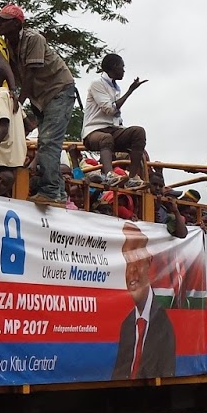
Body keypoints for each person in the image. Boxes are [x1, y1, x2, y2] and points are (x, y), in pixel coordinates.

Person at [0, 5, 78, 209]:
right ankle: (56, 191)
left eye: (4, 20)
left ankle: (50, 192)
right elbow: (14, 74)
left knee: (48, 141)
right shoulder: (8, 43)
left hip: (58, 90)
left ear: (16, 23)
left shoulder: (33, 39)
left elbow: (29, 75)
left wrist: (19, 102)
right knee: (45, 142)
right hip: (41, 97)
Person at [112, 221, 177, 379]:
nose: (132, 271)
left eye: (138, 262)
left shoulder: (164, 322)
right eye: (128, 263)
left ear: (149, 263)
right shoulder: (127, 324)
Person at [82, 54, 148, 189]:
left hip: (113, 130)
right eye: (122, 67)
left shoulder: (115, 87)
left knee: (138, 132)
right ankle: (109, 175)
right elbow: (109, 109)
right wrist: (130, 91)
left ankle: (132, 178)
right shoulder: (97, 84)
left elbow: (116, 117)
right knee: (106, 138)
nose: (124, 70)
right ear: (114, 66)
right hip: (94, 131)